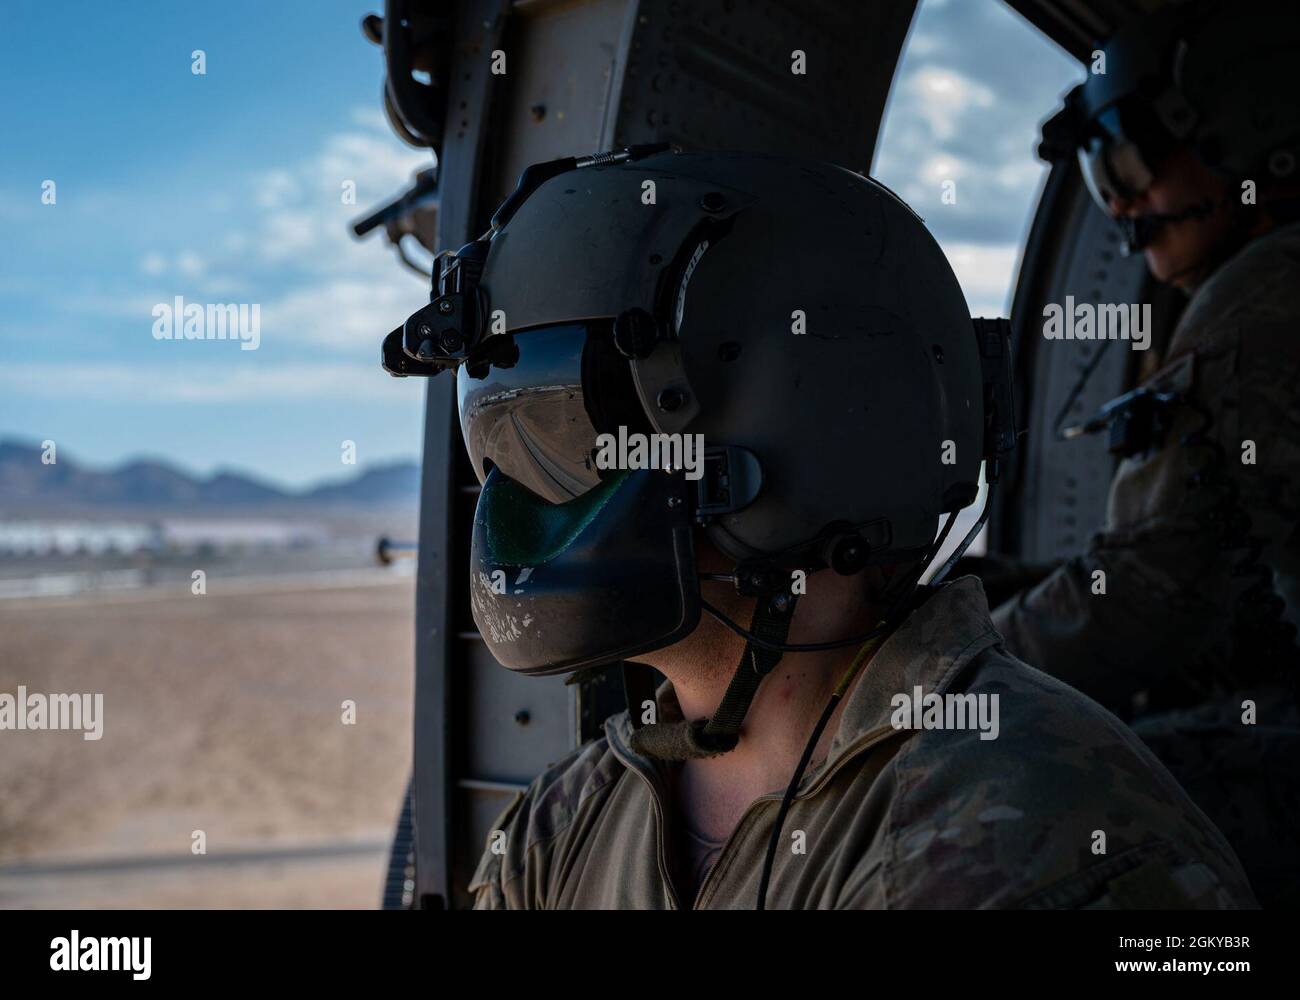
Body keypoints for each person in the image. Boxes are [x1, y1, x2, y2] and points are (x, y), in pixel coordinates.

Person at [387, 146, 1255, 908]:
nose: (525, 492)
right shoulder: (564, 824)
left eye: (581, 430)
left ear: (814, 415)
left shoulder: (1026, 835)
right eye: (499, 430)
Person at [990, 2, 1300, 905]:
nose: (1121, 204)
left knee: (1038, 806)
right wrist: (992, 591)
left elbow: (1151, 594)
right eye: (1102, 178)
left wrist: (946, 669)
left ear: (1251, 129)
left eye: (1130, 162)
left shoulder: (1264, 292)